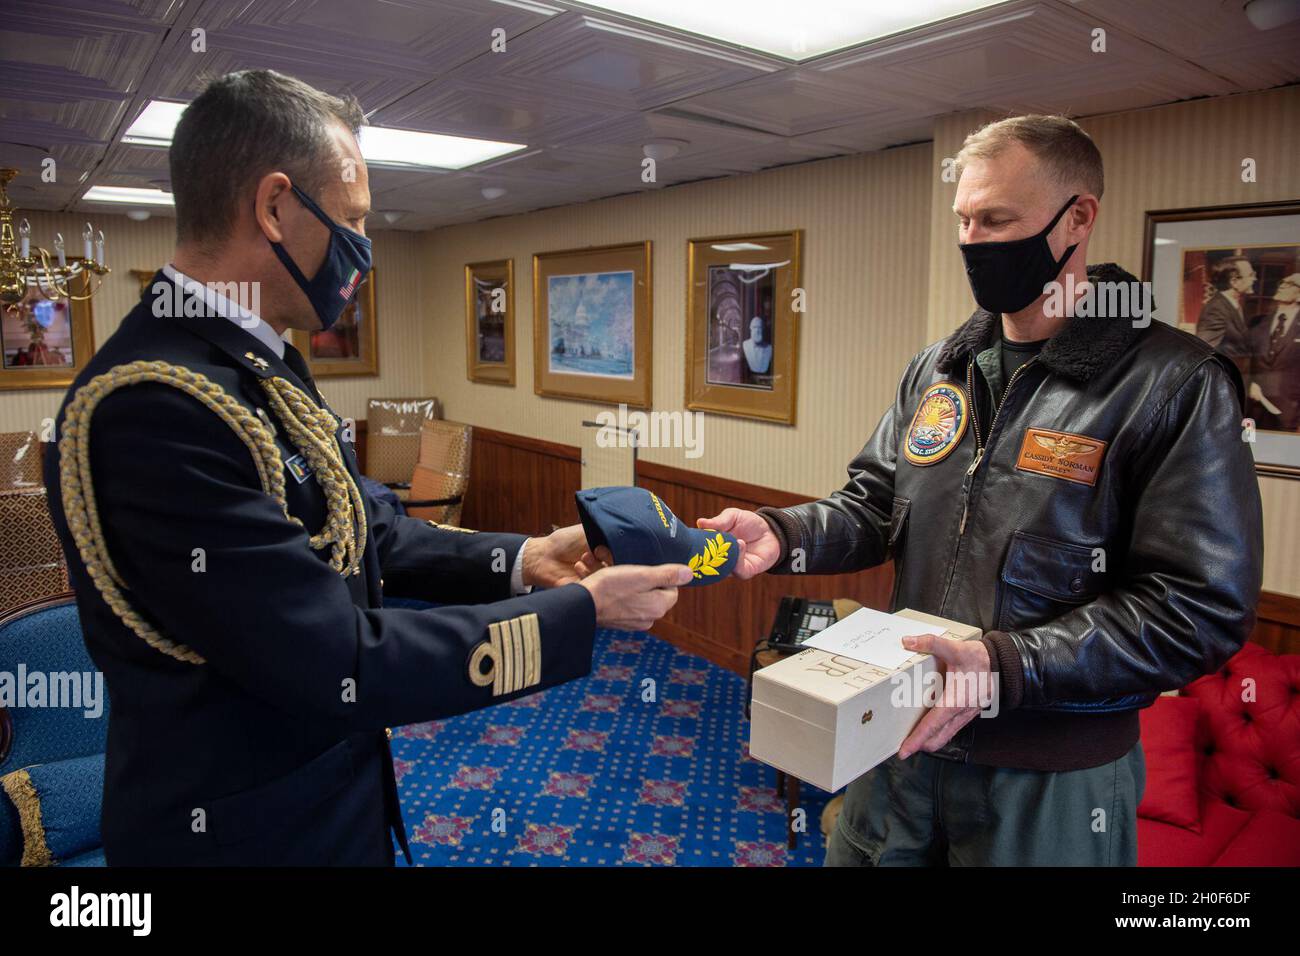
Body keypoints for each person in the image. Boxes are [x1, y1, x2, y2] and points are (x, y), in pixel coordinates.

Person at [44, 69, 690, 866]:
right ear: (275, 207)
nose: (362, 248)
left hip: (329, 798)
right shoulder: (157, 403)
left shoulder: (261, 359)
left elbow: (361, 529)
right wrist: (581, 614)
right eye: (352, 220)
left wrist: (522, 560)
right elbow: (334, 658)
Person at [667, 115, 1262, 866]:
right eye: (966, 219)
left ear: (1078, 217)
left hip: (1046, 775)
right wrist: (785, 533)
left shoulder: (1171, 383)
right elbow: (875, 503)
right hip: (902, 737)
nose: (975, 240)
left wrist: (1008, 663)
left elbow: (1200, 606)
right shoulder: (941, 368)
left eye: (999, 219)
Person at [1247, 272, 1300, 431]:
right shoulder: (1257, 322)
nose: (1283, 285)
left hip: (1289, 409)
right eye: (1283, 281)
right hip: (1254, 404)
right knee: (1250, 446)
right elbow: (1244, 360)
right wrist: (1249, 384)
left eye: (1291, 284)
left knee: (1280, 453)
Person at [1196, 254, 1256, 374]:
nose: (1255, 279)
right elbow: (1202, 354)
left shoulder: (1234, 305)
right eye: (1251, 275)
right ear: (1234, 282)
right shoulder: (1216, 309)